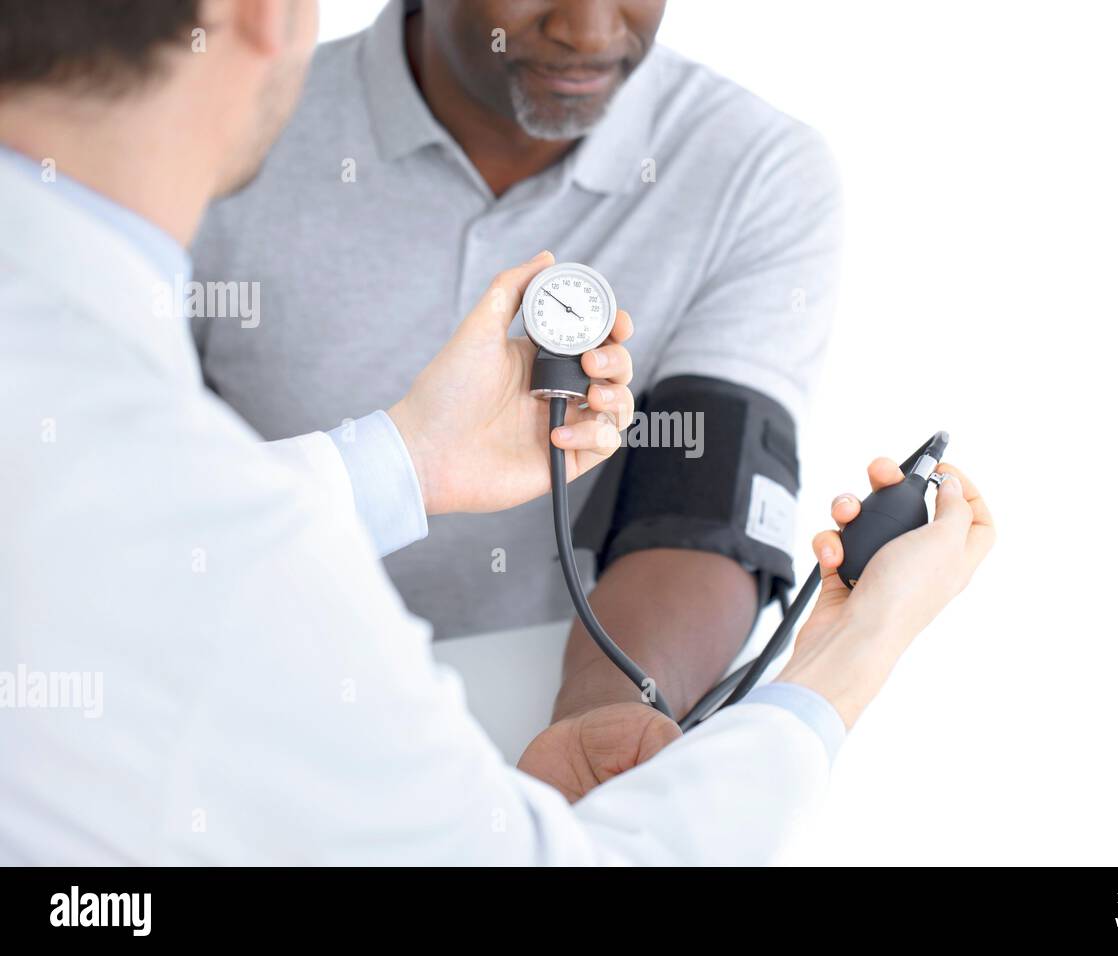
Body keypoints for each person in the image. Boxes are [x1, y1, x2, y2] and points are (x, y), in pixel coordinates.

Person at [0, 0, 993, 864]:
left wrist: (409, 462)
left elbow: (705, 495)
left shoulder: (755, 162)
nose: (588, 28)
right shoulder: (240, 144)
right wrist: (853, 647)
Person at [189, 0, 845, 775]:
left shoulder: (755, 166)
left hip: (529, 721)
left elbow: (700, 511)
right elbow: (120, 474)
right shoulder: (211, 125)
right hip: (230, 709)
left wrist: (602, 713)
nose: (592, 32)